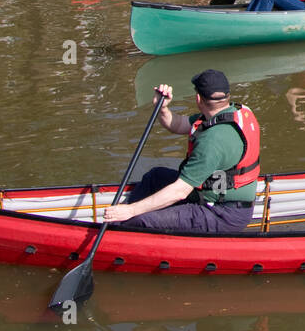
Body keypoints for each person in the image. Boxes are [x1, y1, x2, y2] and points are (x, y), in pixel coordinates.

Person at [104, 70, 260, 233]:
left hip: (221, 213)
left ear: (198, 98)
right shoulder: (236, 112)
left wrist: (132, 211)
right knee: (154, 177)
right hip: (211, 194)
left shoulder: (212, 141)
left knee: (141, 220)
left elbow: (179, 191)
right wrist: (162, 108)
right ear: (227, 96)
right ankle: (120, 224)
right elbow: (178, 124)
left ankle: (123, 230)